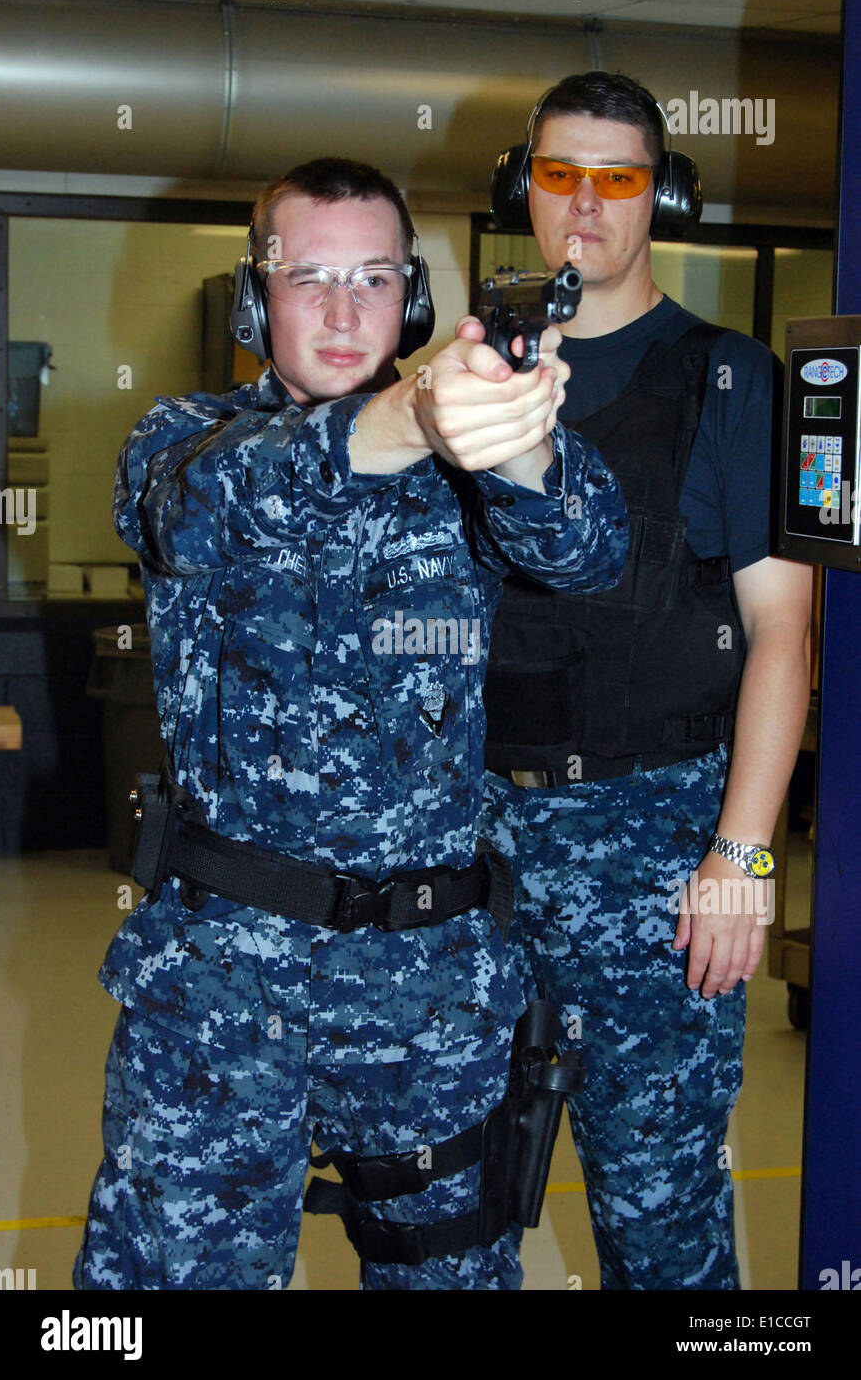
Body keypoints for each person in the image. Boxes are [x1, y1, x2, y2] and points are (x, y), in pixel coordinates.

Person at [73, 157, 627, 1291]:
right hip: (226, 985)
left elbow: (590, 552)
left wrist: (515, 437)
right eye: (307, 276)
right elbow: (246, 497)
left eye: (373, 279)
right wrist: (417, 411)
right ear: (252, 297)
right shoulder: (187, 445)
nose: (341, 310)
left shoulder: (465, 473)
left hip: (430, 980)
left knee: (451, 1278)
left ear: (413, 299)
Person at [482, 74, 812, 1290]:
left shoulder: (730, 381)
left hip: (655, 850)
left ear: (658, 196)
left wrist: (745, 858)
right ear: (525, 186)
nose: (584, 204)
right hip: (473, 854)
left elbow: (783, 632)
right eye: (559, 172)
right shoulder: (465, 377)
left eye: (617, 177)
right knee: (449, 1216)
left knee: (660, 1219)